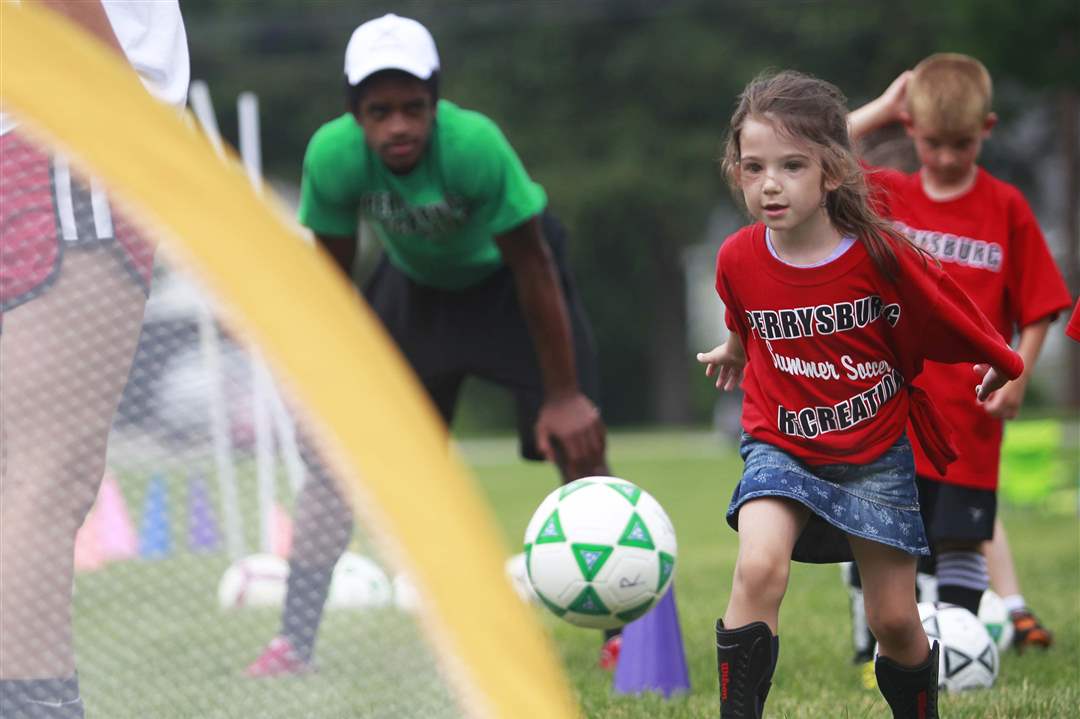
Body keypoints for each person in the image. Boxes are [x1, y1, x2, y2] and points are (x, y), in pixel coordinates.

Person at [245, 13, 613, 678]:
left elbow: (534, 267)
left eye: (414, 108)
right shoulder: (332, 156)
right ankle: (292, 642)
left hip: (511, 288)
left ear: (435, 104)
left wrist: (561, 394)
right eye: (379, 111)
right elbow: (330, 289)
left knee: (577, 441)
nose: (398, 128)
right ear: (354, 112)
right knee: (343, 458)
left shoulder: (474, 145)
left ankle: (622, 630)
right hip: (415, 291)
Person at [696, 69, 1025, 718]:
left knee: (895, 619)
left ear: (833, 173)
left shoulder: (879, 256)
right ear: (735, 170)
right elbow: (742, 308)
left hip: (874, 455)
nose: (770, 183)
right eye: (753, 165)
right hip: (780, 442)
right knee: (759, 566)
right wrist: (736, 349)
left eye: (792, 165)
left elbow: (949, 309)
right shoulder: (736, 257)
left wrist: (1003, 361)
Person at [846, 54, 1071, 667]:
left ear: (988, 130)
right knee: (890, 535)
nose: (946, 157)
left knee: (962, 537)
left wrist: (1020, 374)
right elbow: (818, 157)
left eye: (962, 144)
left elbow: (1042, 303)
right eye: (933, 141)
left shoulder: (1006, 207)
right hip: (897, 409)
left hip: (973, 409)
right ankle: (879, 642)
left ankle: (958, 650)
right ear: (911, 129)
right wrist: (879, 112)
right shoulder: (889, 195)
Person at [0, 1, 189, 717]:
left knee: (18, 478)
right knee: (48, 478)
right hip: (69, 139)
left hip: (27, 134)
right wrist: (129, 122)